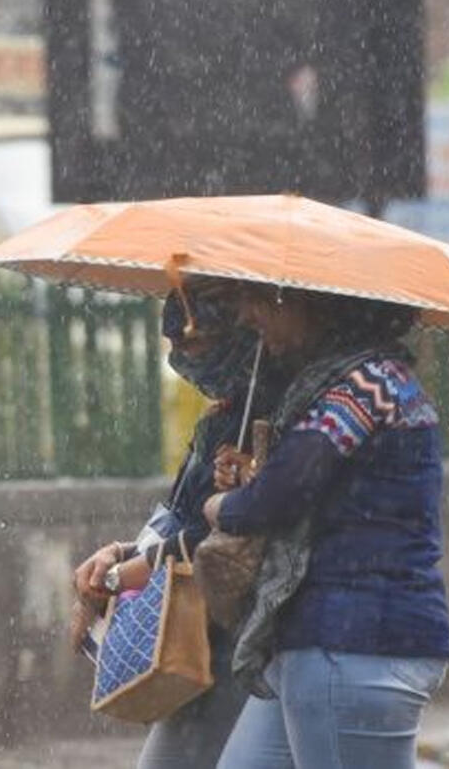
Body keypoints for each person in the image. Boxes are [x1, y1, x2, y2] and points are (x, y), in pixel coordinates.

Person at [200, 287, 449, 769]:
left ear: (317, 305)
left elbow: (277, 497)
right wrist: (252, 482)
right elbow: (295, 486)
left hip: (355, 640)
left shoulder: (364, 388)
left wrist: (221, 505)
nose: (248, 315)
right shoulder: (348, 385)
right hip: (321, 642)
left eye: (265, 300)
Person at [71, 283, 283, 769]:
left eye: (194, 343)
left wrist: (116, 579)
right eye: (174, 346)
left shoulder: (268, 415)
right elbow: (182, 517)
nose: (181, 359)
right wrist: (123, 554)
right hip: (208, 633)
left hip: (234, 636)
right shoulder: (223, 417)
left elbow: (224, 537)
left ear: (237, 335)